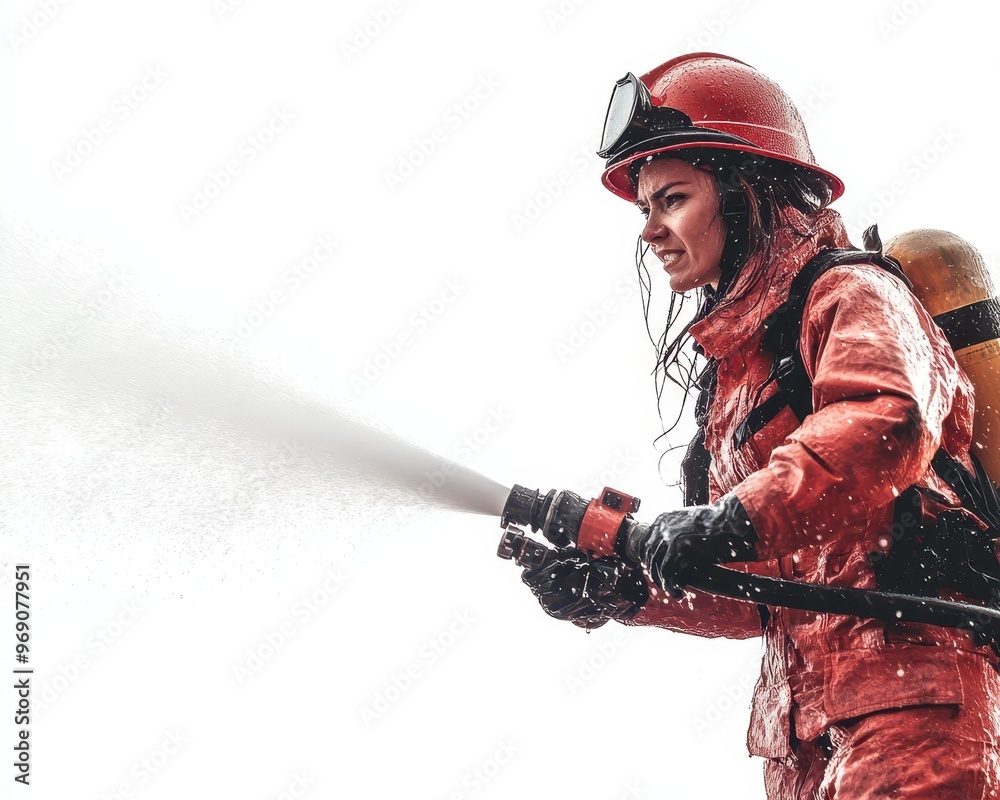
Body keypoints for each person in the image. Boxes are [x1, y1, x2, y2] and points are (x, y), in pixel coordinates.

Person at [521, 52, 1000, 798]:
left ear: (747, 192)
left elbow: (885, 423)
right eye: (644, 208)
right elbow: (763, 591)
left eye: (672, 198)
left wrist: (726, 520)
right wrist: (627, 590)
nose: (650, 229)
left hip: (916, 704)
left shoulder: (848, 294)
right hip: (805, 745)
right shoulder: (740, 381)